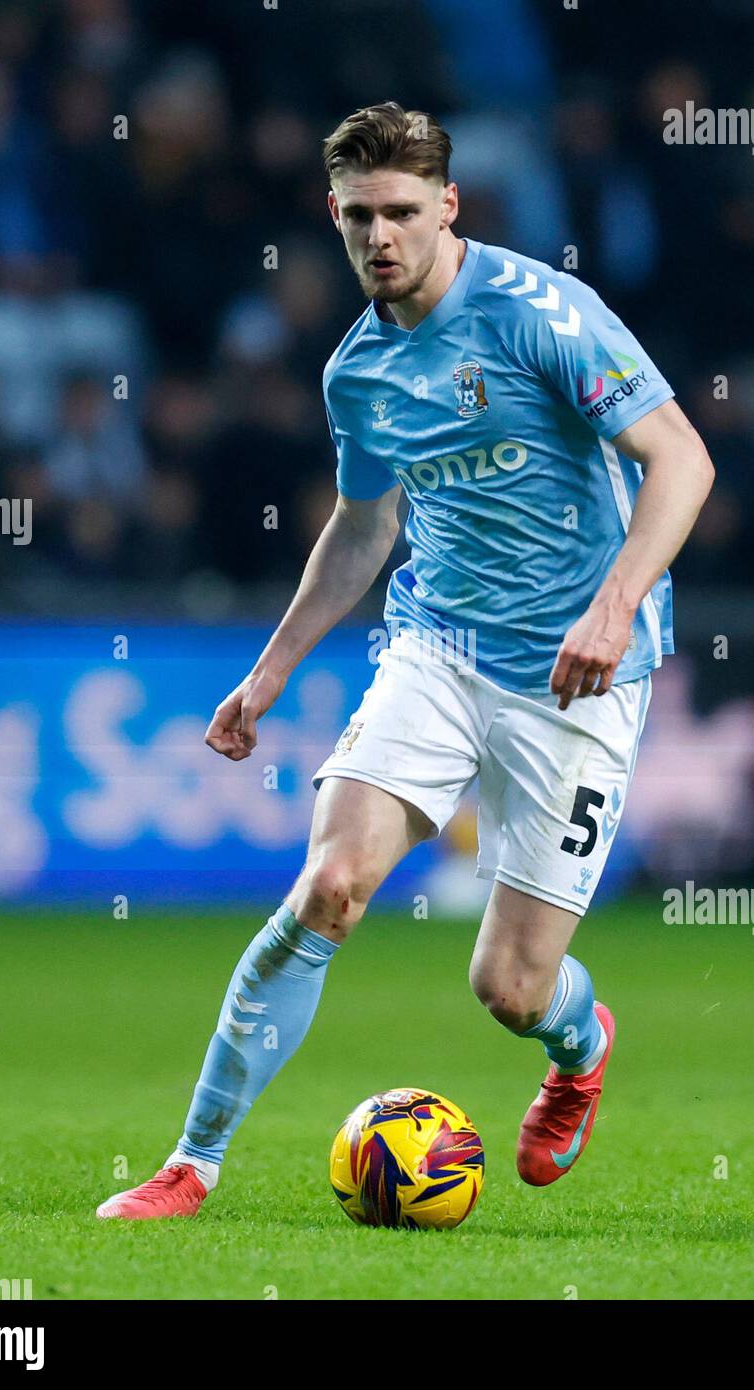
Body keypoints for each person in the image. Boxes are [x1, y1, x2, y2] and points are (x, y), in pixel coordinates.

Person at [97, 101, 714, 1220]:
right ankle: (194, 1162)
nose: (382, 237)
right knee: (330, 887)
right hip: (435, 646)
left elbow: (681, 456)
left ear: (449, 208)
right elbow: (365, 528)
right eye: (360, 216)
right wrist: (272, 670)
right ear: (332, 216)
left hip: (577, 672)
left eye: (403, 213)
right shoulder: (358, 373)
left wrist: (615, 606)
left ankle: (580, 1047)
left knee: (511, 987)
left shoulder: (543, 314)